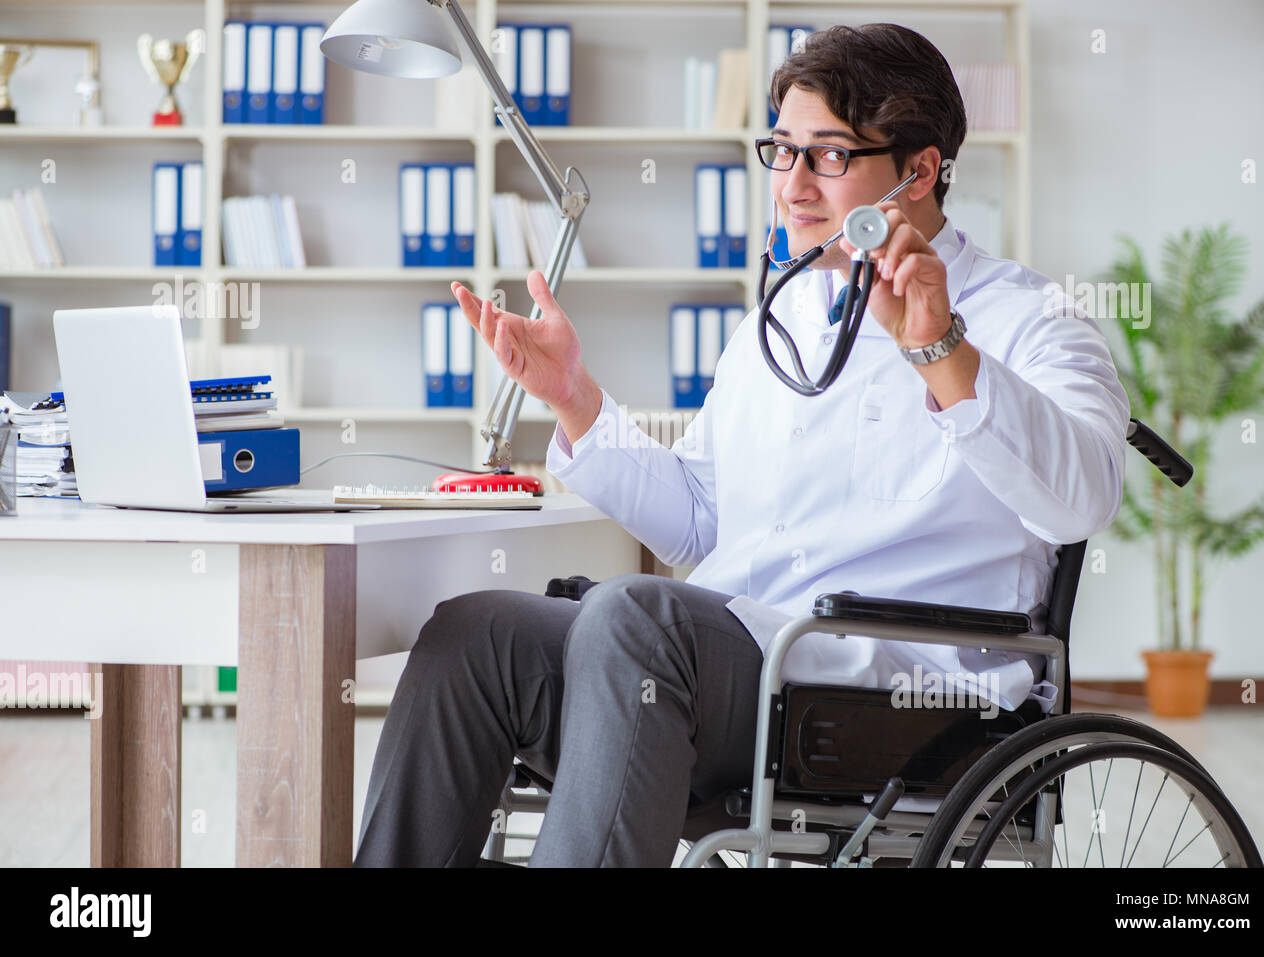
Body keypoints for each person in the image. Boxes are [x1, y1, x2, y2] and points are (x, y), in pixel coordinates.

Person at [353, 22, 1129, 868]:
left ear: (920, 168)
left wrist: (942, 352)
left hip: (894, 693)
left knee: (633, 615)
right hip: (740, 669)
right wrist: (572, 397)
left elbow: (1084, 494)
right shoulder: (781, 320)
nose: (792, 185)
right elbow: (698, 519)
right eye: (781, 151)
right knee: (476, 634)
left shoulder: (1030, 317)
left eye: (827, 156)